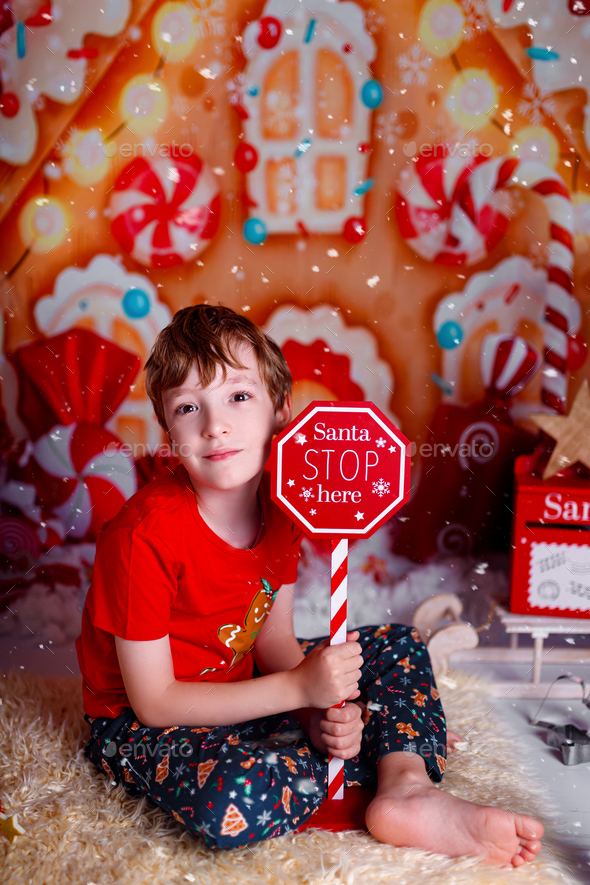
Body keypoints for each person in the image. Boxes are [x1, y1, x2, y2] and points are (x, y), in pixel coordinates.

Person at [76, 304, 544, 865]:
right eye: (187, 407)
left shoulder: (283, 504)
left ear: (281, 409)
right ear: (168, 430)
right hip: (141, 721)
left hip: (242, 682)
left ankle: (404, 787)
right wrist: (301, 694)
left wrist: (315, 718)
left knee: (396, 647)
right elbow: (155, 702)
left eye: (239, 397)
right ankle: (375, 749)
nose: (214, 424)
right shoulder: (141, 537)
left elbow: (272, 642)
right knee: (235, 798)